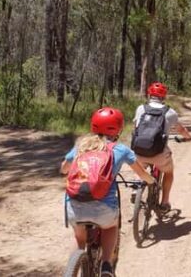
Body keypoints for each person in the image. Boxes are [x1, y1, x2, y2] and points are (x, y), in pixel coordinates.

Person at [61, 107, 156, 277]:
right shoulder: (120, 150)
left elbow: (64, 169)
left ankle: (71, 271)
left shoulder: (81, 146)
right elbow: (141, 173)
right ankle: (106, 264)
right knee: (111, 226)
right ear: (118, 129)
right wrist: (151, 181)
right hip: (103, 208)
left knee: (79, 238)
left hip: (74, 205)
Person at [132, 82, 191, 212]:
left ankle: (137, 186)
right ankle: (165, 202)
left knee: (140, 165)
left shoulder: (140, 108)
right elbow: (181, 130)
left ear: (149, 94)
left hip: (139, 151)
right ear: (164, 96)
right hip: (159, 154)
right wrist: (188, 137)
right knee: (169, 172)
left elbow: (135, 129)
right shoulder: (170, 112)